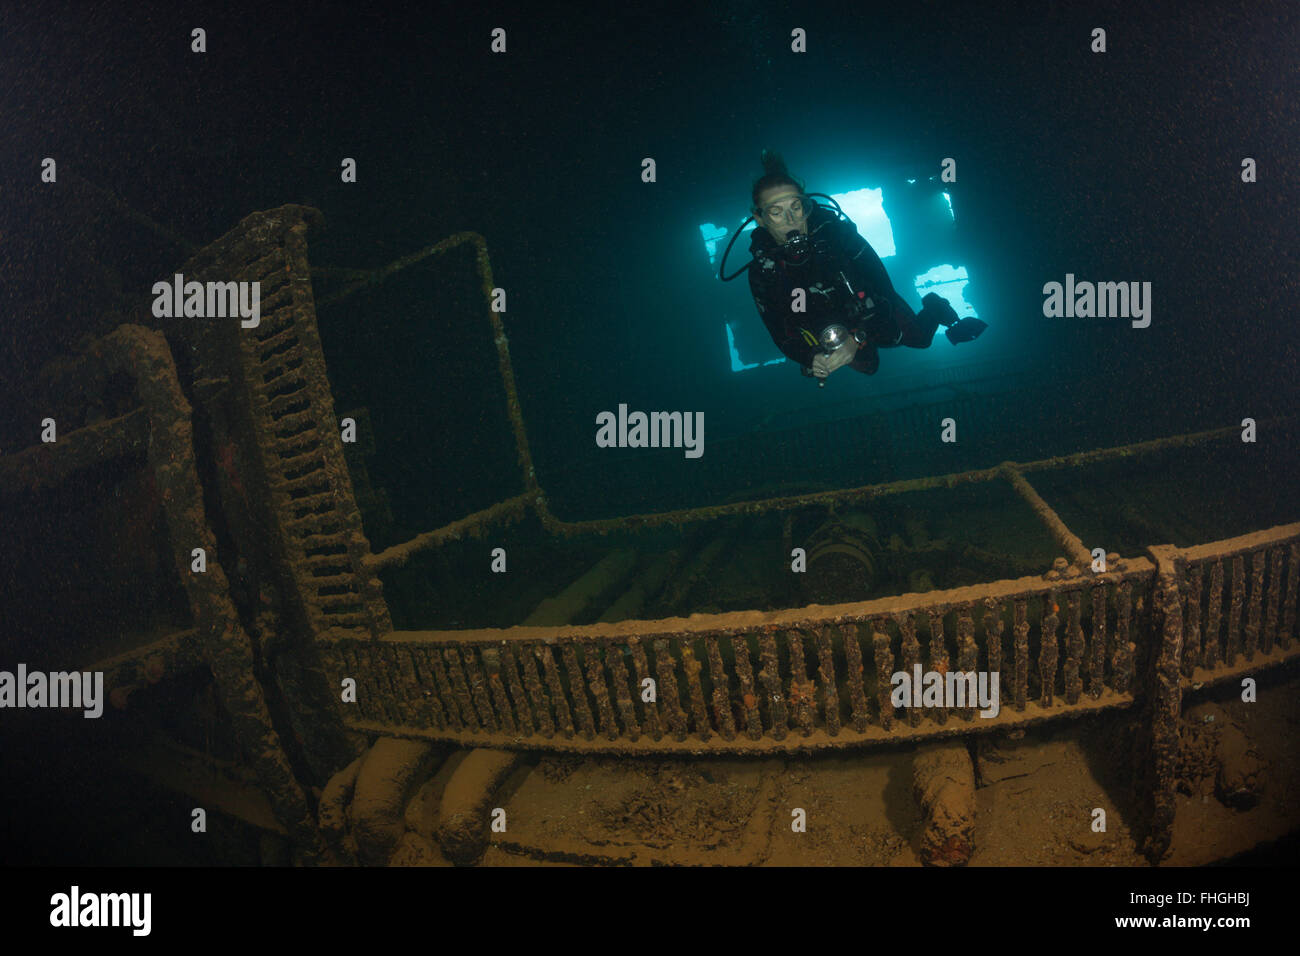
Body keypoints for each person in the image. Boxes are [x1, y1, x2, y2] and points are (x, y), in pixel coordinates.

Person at [744, 150, 986, 381]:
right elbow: (779, 332)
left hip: (873, 310)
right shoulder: (762, 272)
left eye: (796, 207)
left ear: (806, 207)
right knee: (869, 367)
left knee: (920, 340)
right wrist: (811, 357)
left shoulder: (840, 238)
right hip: (829, 325)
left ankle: (934, 305)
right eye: (776, 212)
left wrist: (857, 336)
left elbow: (885, 292)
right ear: (760, 219)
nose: (791, 220)